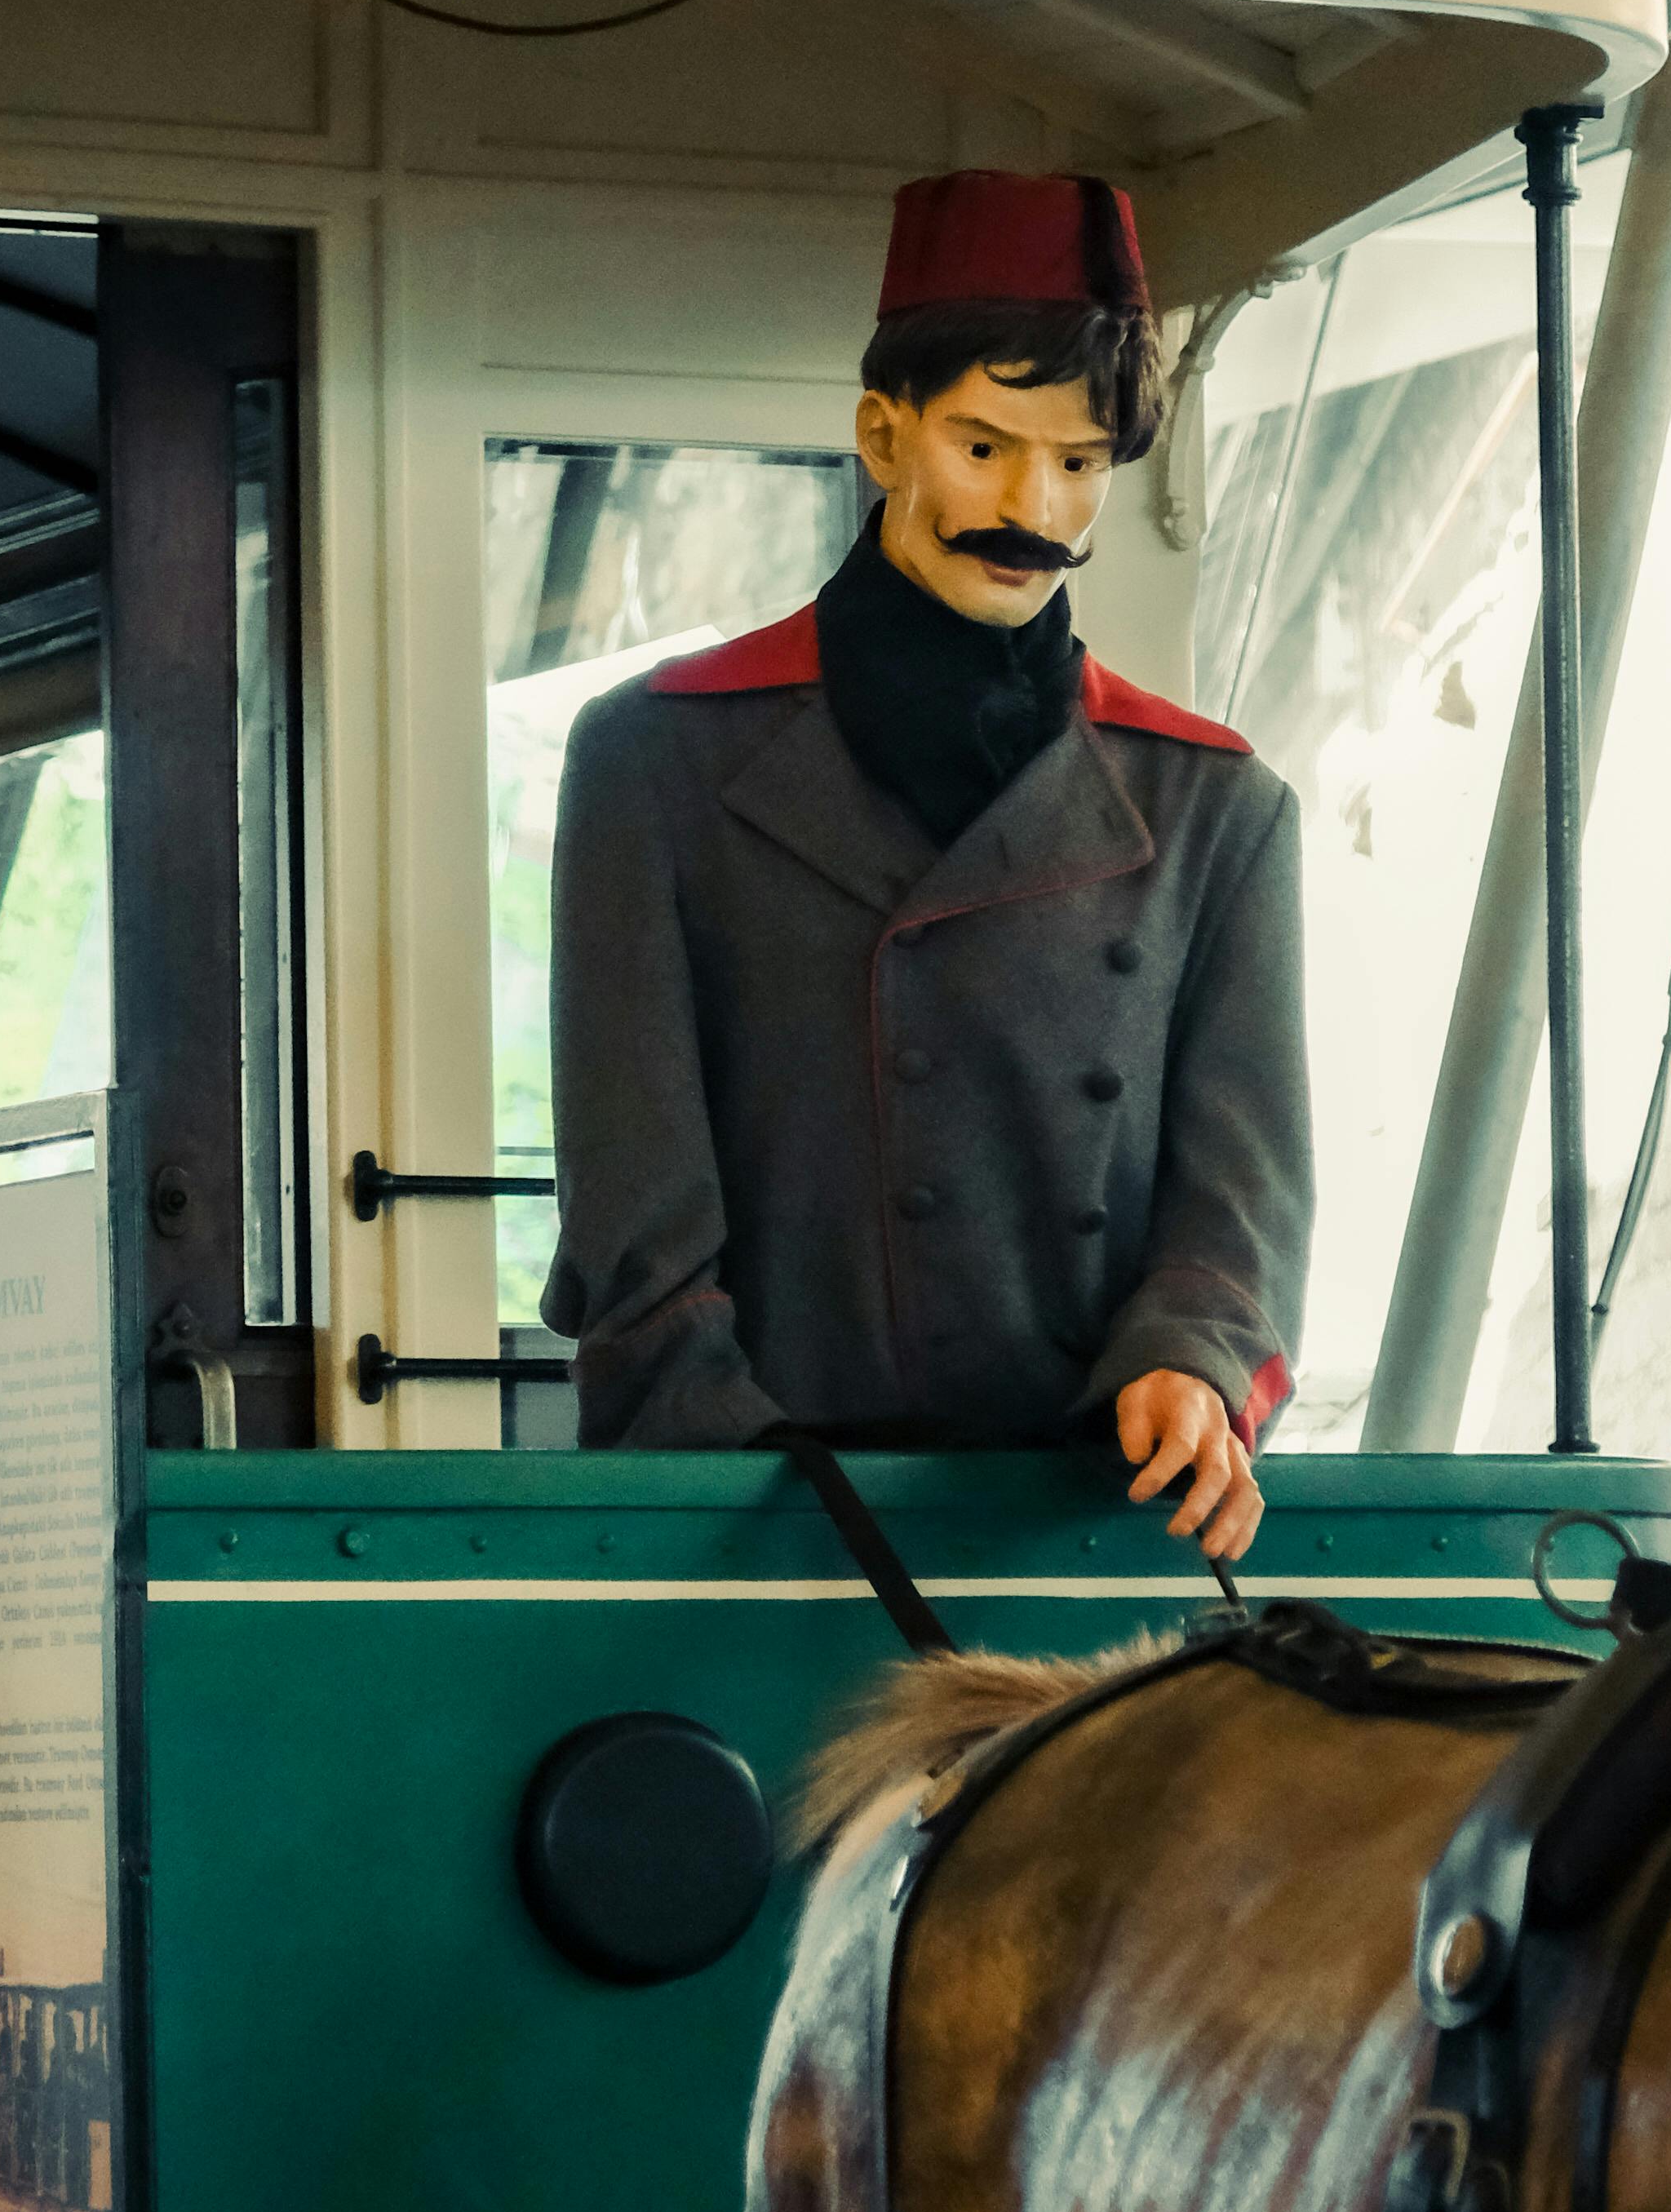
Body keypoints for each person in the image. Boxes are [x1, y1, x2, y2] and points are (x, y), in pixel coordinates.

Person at [543, 169, 1309, 1560]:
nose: (1034, 504)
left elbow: (1240, 1201)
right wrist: (730, 1475)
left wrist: (1193, 1363)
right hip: (752, 1512)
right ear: (883, 437)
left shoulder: (1221, 806)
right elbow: (636, 1218)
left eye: (1079, 462)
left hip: (1088, 1515)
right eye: (986, 446)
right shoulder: (650, 764)